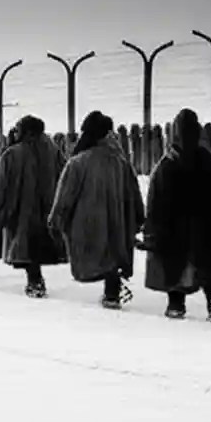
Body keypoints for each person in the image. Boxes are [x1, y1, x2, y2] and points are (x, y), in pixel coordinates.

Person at [140, 109, 211, 319]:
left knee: (174, 267)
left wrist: (151, 231)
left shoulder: (166, 167)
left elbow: (155, 205)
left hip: (174, 228)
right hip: (207, 227)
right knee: (207, 266)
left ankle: (176, 304)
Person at [49, 111, 145, 309]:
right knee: (112, 255)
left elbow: (65, 196)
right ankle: (112, 290)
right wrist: (137, 219)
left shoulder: (77, 163)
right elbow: (133, 193)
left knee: (97, 255)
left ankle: (111, 290)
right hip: (117, 223)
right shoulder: (121, 162)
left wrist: (56, 220)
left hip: (87, 223)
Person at [0, 115, 68, 298]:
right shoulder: (54, 151)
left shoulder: (13, 154)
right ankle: (35, 278)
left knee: (25, 246)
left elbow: (2, 185)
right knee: (39, 244)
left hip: (21, 209)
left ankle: (34, 280)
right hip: (48, 207)